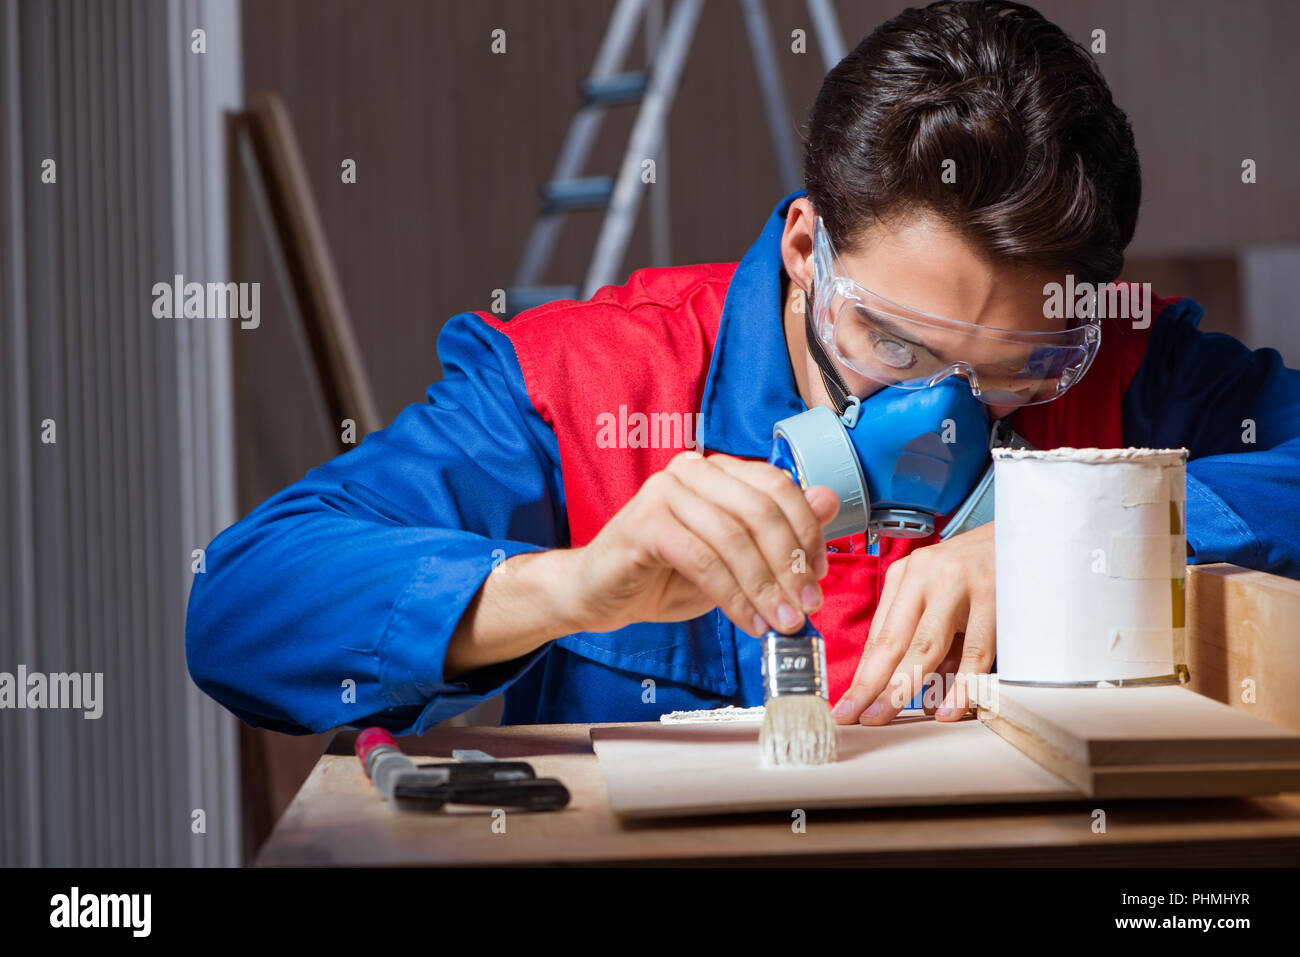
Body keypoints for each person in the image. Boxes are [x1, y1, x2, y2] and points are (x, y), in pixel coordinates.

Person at [185, 0, 1300, 737]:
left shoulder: (1136, 366)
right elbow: (240, 607)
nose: (948, 417)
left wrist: (1096, 534)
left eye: (1018, 372)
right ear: (809, 250)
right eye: (896, 344)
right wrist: (563, 587)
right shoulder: (587, 385)